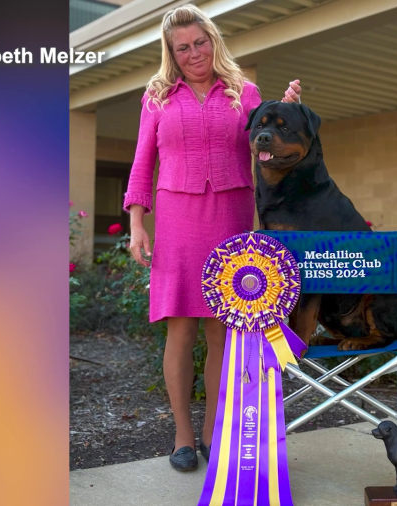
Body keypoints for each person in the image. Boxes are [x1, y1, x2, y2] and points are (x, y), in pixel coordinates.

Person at [122, 4, 302, 472]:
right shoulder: (157, 96)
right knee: (180, 327)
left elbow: (267, 150)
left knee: (223, 330)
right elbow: (143, 164)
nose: (194, 53)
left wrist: (286, 114)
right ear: (172, 53)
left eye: (200, 42)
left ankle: (214, 432)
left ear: (213, 40)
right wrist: (138, 222)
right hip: (178, 218)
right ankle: (183, 435)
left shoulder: (245, 93)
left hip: (232, 218)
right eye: (183, 48)